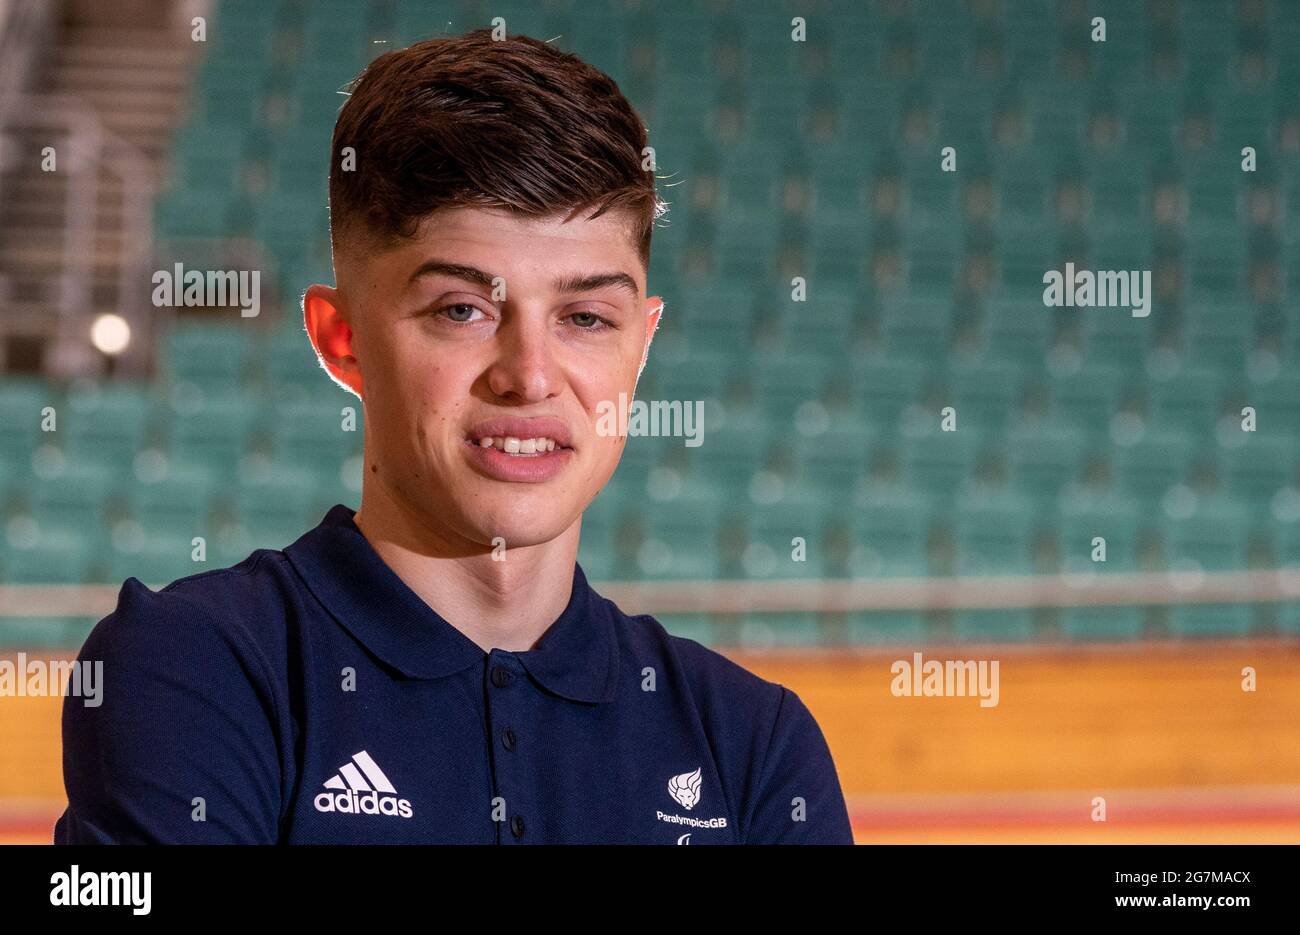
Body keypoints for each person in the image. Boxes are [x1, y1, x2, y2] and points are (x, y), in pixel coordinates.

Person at [54, 27, 853, 844]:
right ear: (343, 339)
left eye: (585, 317)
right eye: (461, 310)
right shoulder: (193, 669)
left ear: (641, 344)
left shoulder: (755, 745)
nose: (530, 375)